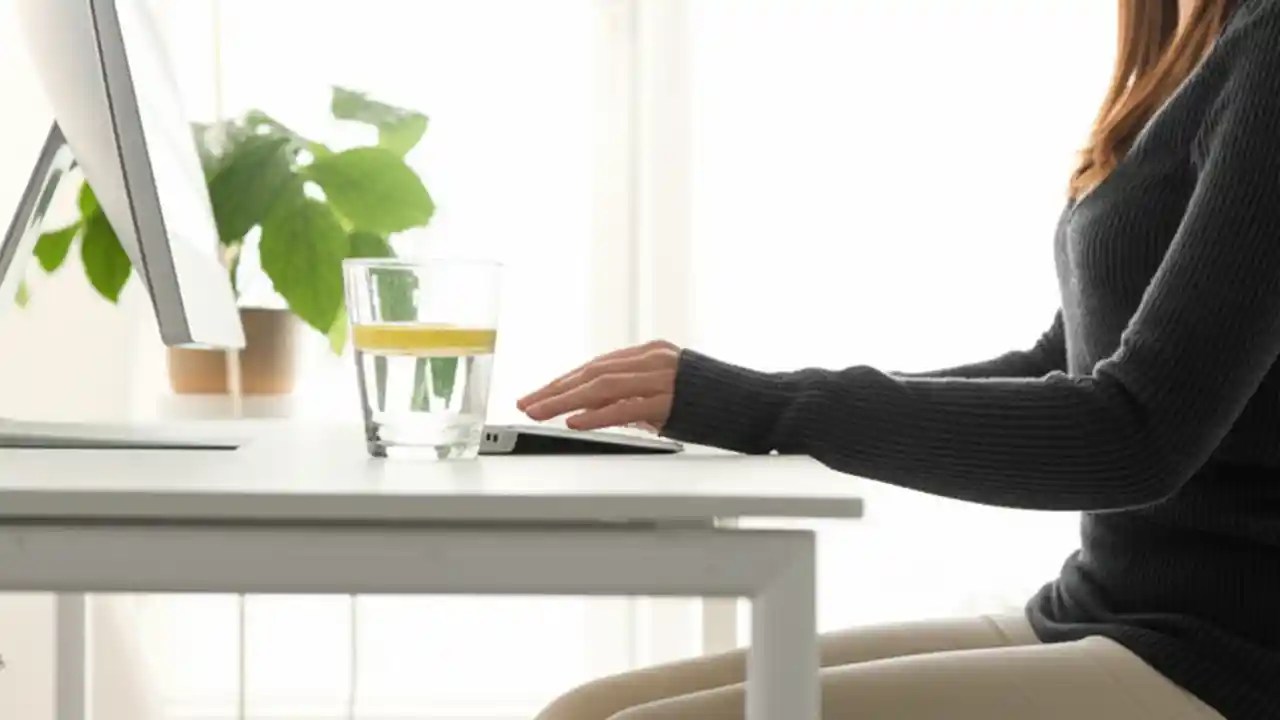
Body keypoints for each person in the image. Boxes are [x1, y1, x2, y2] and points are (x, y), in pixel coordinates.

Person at [516, 0, 1280, 718]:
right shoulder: (1177, 45)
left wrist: (770, 405)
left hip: (1229, 658)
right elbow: (1066, 359)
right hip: (1100, 611)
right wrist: (751, 406)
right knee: (583, 712)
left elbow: (1134, 437)